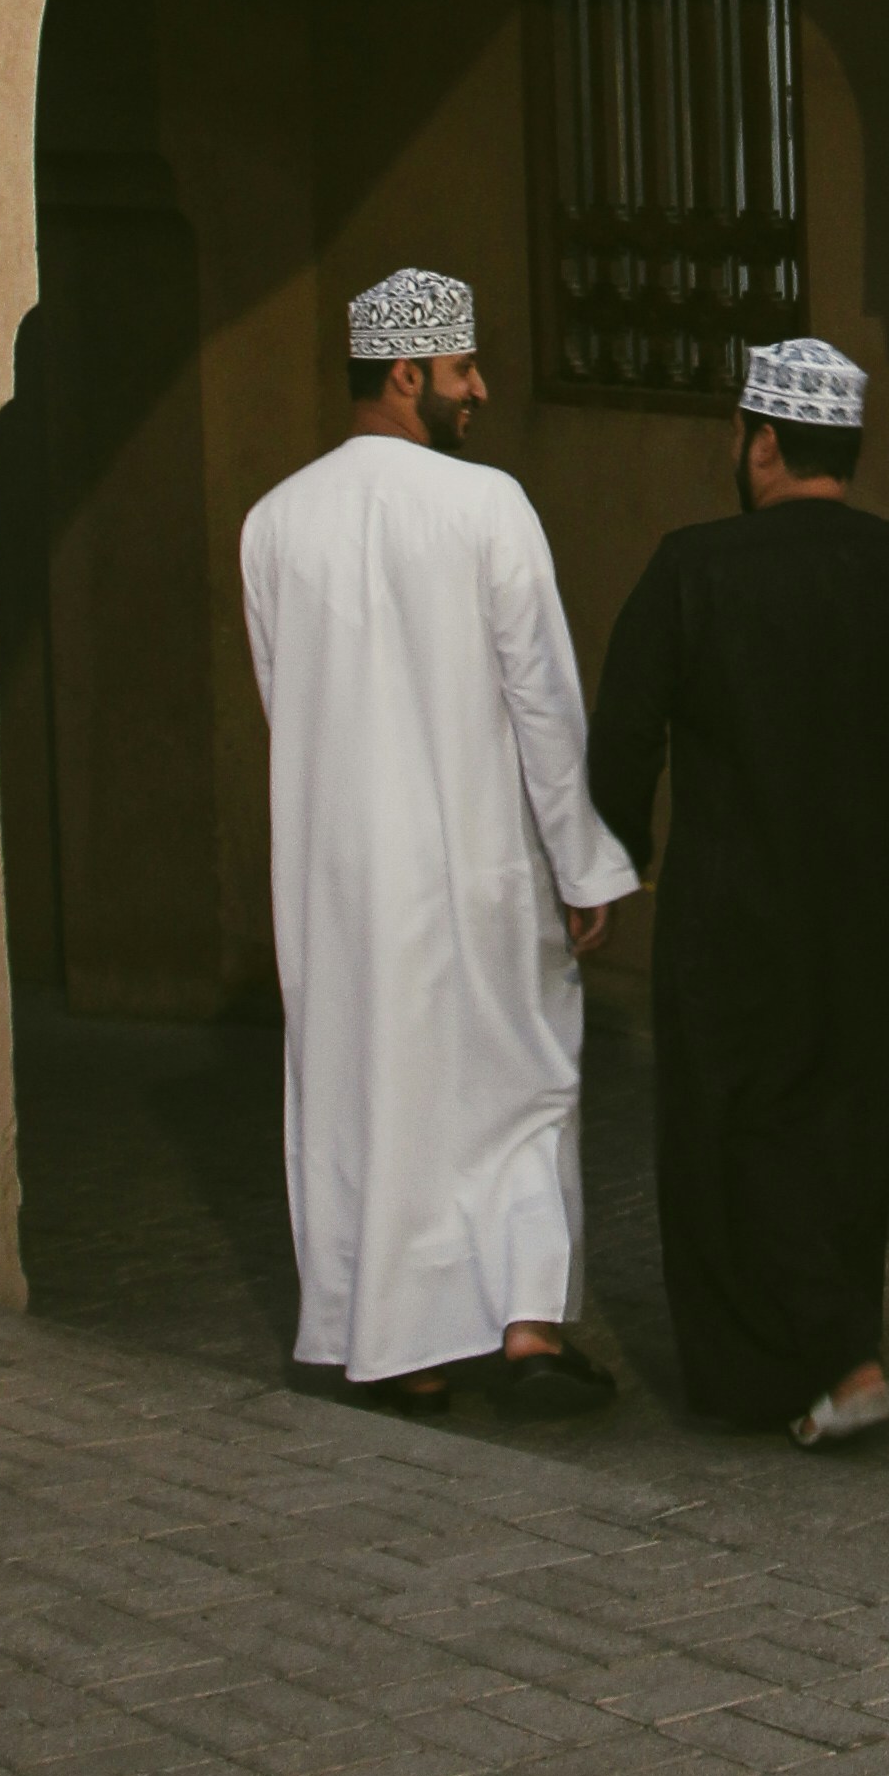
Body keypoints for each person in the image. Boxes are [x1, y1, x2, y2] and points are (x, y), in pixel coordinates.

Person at [239, 266, 639, 1417]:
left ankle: (399, 1348)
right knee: (522, 1084)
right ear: (406, 373)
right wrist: (584, 861)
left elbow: (289, 705)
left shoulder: (274, 523)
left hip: (339, 877)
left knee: (371, 1094)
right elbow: (544, 705)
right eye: (465, 371)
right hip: (478, 863)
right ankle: (522, 1326)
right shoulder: (488, 506)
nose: (481, 392)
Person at [586, 338, 889, 1450]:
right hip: (866, 911)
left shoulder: (692, 567)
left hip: (730, 909)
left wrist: (619, 859)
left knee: (727, 1134)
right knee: (848, 1126)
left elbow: (621, 737)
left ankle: (797, 1369)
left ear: (760, 441)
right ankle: (837, 1353)